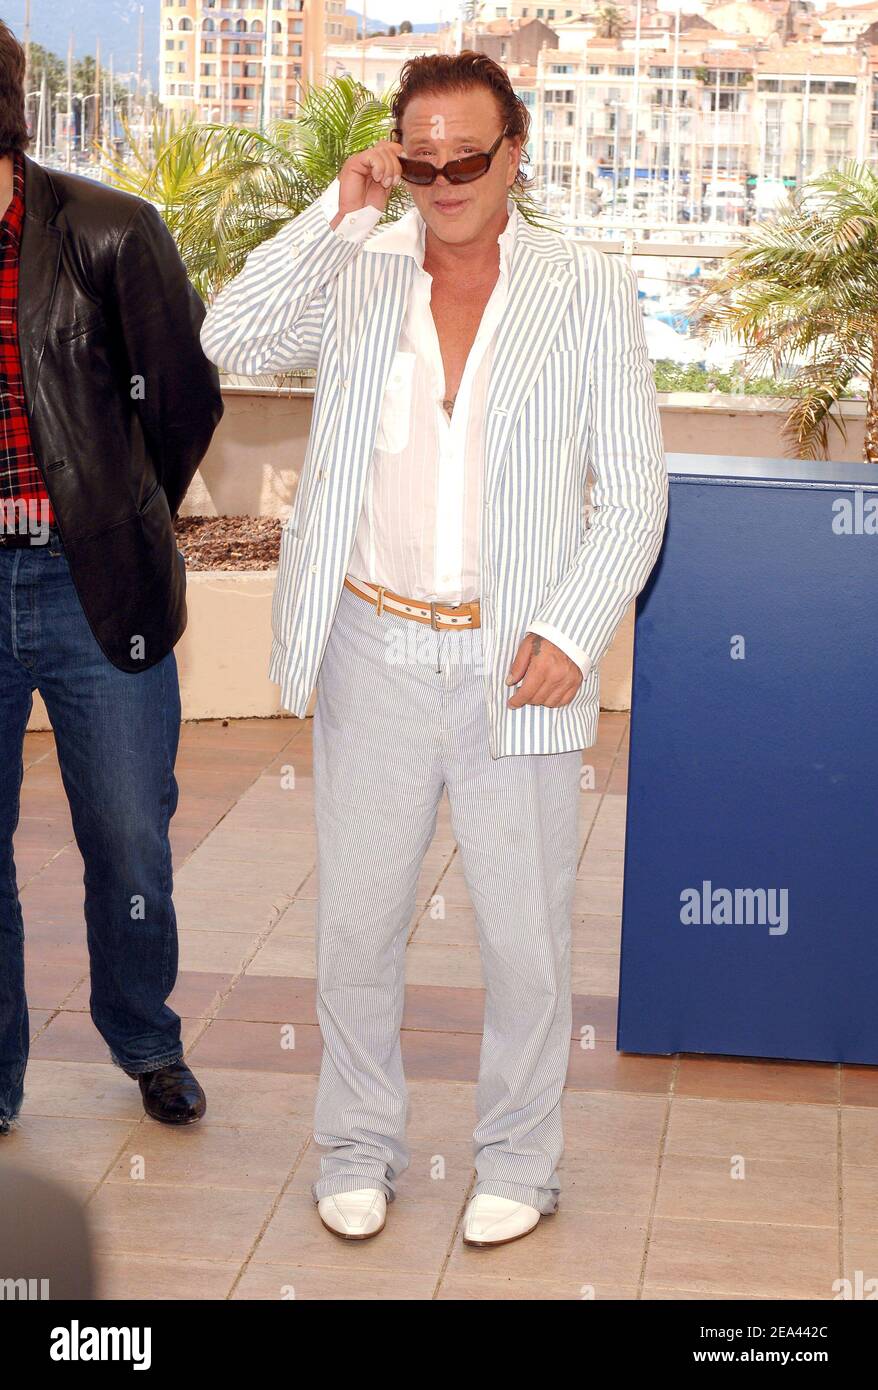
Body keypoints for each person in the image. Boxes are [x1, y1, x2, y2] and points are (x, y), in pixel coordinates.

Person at [201, 51, 667, 1247]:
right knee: (355, 924)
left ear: (515, 154)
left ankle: (519, 1157)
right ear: (398, 156)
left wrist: (571, 626)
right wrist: (337, 209)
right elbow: (226, 331)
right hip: (373, 645)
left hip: (516, 659)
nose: (446, 177)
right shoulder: (358, 270)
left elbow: (632, 495)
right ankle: (356, 1147)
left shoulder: (586, 289)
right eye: (423, 156)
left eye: (469, 154)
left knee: (524, 934)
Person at [0, 21, 223, 1135]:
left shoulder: (110, 230)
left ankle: (146, 1041)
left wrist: (117, 519)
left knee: (130, 832)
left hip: (94, 587)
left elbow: (182, 403)